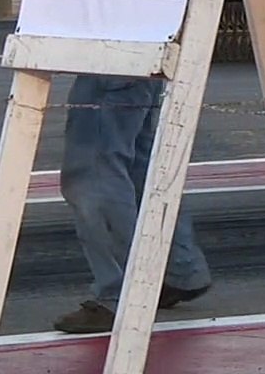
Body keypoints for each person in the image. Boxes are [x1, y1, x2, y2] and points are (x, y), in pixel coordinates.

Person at [53, 74, 213, 333]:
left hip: (111, 61)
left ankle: (122, 292)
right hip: (141, 62)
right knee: (139, 162)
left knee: (94, 168)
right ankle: (177, 269)